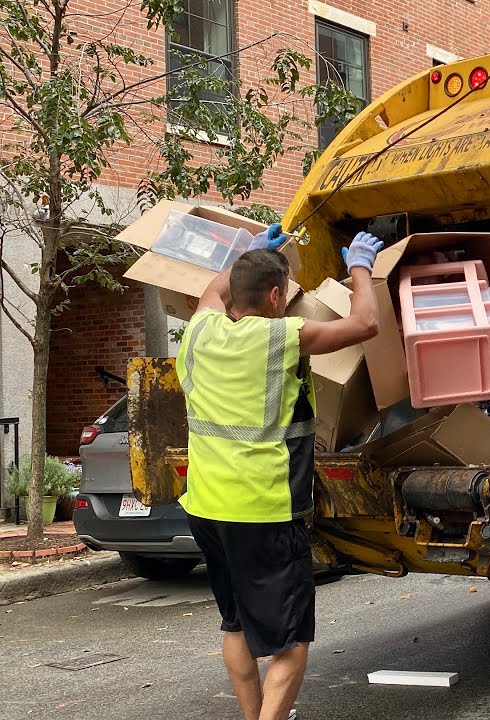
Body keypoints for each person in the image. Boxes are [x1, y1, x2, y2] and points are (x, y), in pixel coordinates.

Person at [176, 225, 383, 720]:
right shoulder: (280, 336)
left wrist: (253, 252)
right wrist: (360, 266)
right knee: (291, 640)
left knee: (235, 625)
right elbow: (366, 325)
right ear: (274, 296)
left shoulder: (200, 330)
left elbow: (211, 290)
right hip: (264, 511)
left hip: (206, 508)